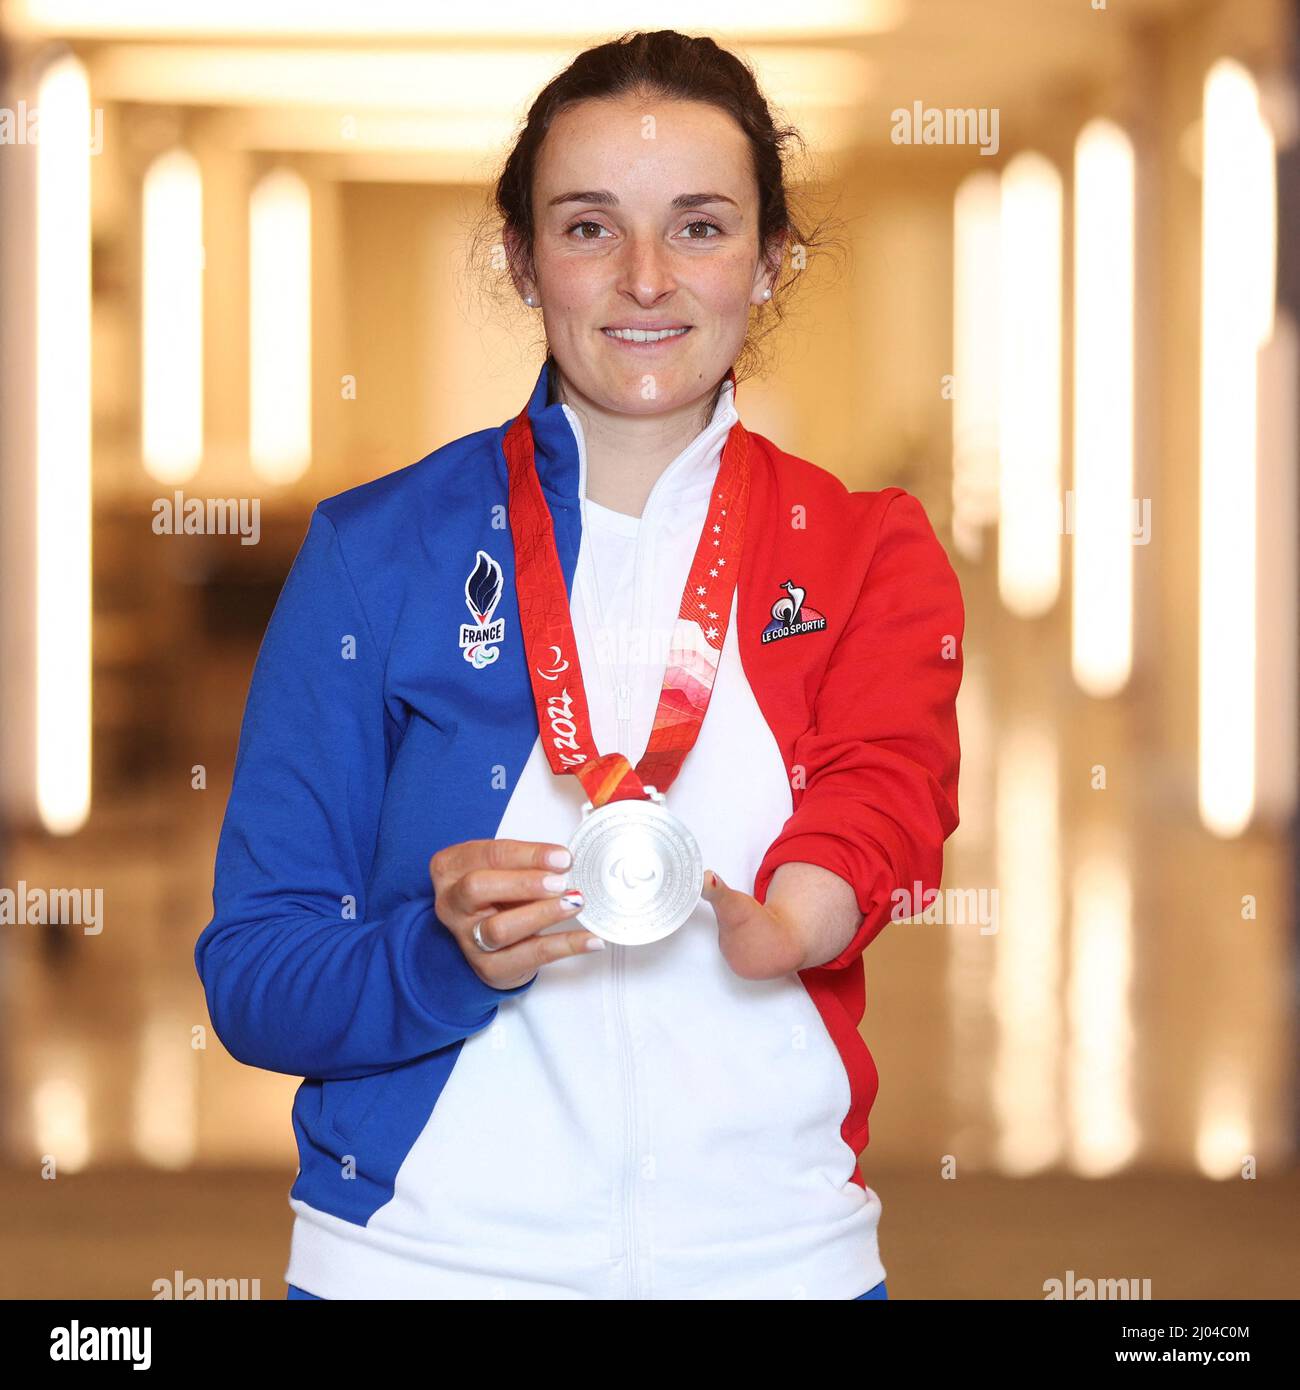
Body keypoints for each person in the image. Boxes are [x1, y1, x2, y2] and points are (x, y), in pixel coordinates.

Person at [196, 28, 963, 1301]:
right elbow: (256, 975)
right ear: (522, 256)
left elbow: (890, 788)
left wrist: (801, 917)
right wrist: (436, 957)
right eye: (591, 226)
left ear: (773, 261)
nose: (647, 279)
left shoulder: (866, 551)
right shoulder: (375, 553)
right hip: (418, 1265)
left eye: (702, 227)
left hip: (775, 1264)